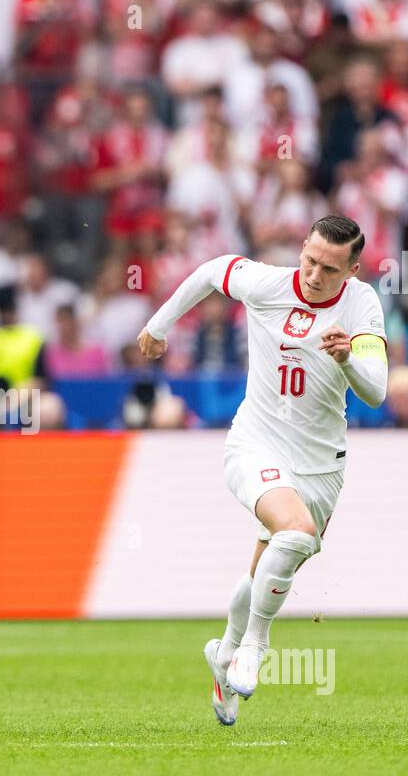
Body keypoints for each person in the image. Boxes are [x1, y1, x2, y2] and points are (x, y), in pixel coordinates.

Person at [137, 215, 388, 726]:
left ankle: (223, 654)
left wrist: (347, 360)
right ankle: (254, 644)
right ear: (303, 249)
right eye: (311, 260)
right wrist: (159, 325)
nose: (315, 274)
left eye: (330, 269)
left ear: (352, 270)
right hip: (255, 442)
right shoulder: (268, 283)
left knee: (267, 566)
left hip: (320, 464)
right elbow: (211, 271)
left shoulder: (361, 304)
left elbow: (377, 391)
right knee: (295, 531)